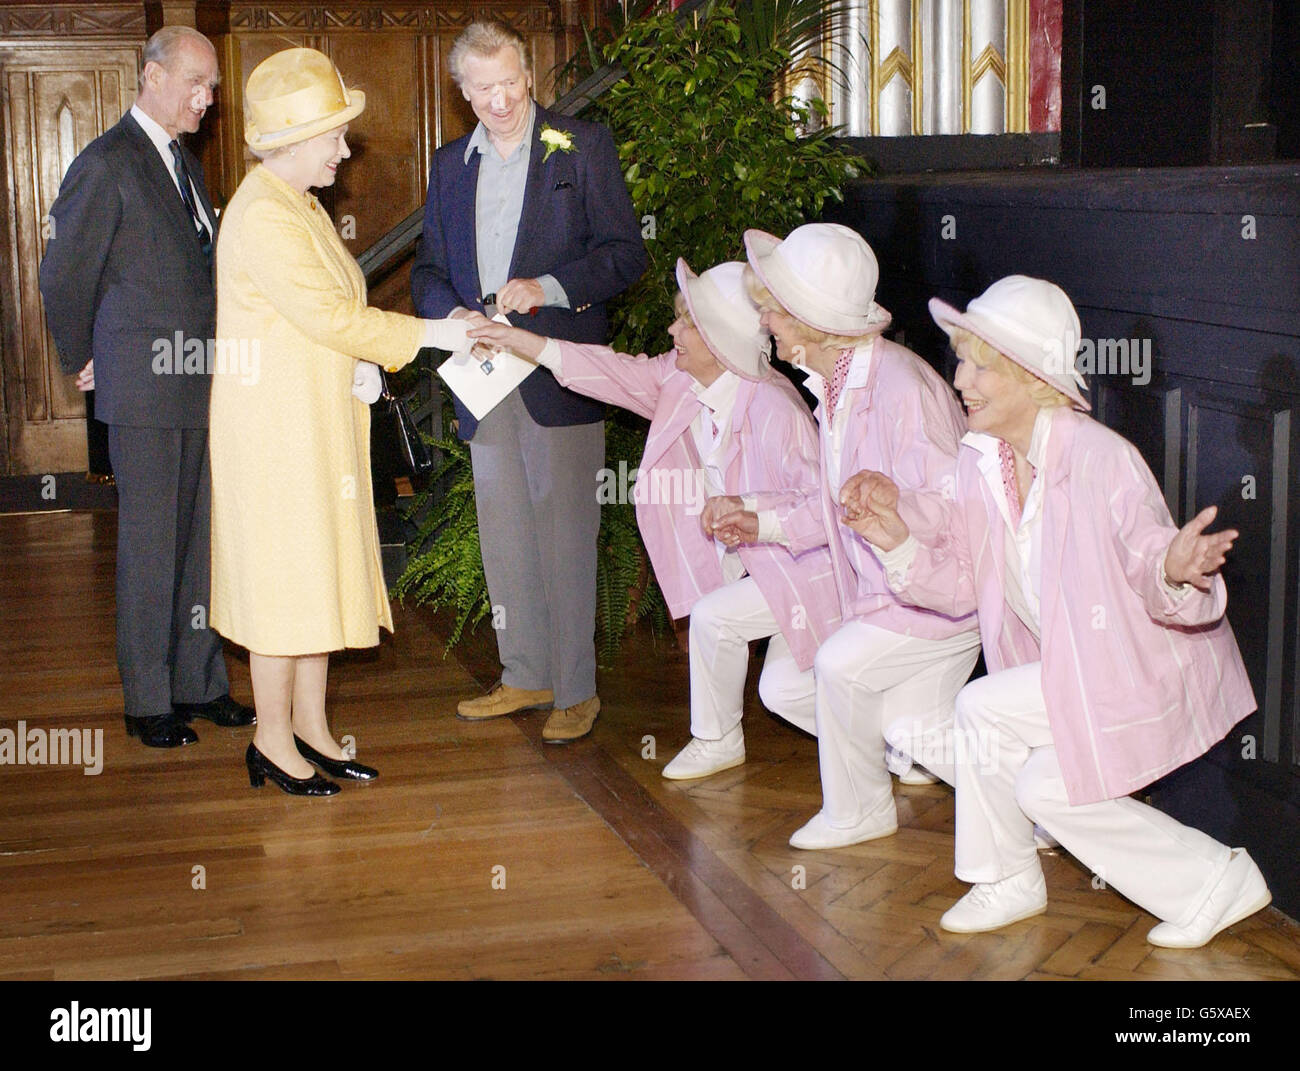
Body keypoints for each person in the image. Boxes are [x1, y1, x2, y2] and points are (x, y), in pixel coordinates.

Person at [842, 275, 1270, 946]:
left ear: (1033, 378)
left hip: (1130, 673)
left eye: (981, 365)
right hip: (1069, 677)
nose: (960, 378)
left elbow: (1147, 554)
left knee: (980, 707)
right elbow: (961, 586)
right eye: (961, 359)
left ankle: (1006, 878)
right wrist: (896, 539)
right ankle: (1215, 882)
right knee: (1041, 786)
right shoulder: (982, 462)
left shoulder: (1102, 459)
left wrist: (1175, 568)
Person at [209, 47, 470, 796]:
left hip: (314, 421)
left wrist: (361, 361)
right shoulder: (263, 212)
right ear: (293, 139)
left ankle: (314, 729)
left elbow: (329, 318)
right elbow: (326, 314)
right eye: (333, 135)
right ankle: (270, 739)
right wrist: (430, 336)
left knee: (314, 572)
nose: (343, 147)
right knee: (283, 583)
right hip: (276, 434)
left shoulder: (300, 203)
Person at [469, 259, 841, 768]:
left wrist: (754, 513)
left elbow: (824, 509)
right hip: (751, 568)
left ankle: (889, 740)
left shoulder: (775, 408)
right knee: (778, 684)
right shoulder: (681, 382)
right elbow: (610, 371)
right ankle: (887, 743)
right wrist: (518, 342)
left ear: (722, 338)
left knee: (774, 677)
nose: (672, 331)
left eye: (687, 323)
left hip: (802, 569)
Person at [410, 18, 646, 743]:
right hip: (481, 376)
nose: (500, 100)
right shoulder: (451, 166)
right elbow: (424, 269)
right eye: (482, 89)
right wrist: (448, 310)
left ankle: (576, 689)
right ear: (462, 91)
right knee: (504, 533)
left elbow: (624, 256)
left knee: (567, 535)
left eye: (510, 82)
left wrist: (544, 286)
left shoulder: (582, 147)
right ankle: (525, 673)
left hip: (557, 368)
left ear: (529, 77)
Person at [726, 223, 981, 850]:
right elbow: (836, 504)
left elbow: (954, 507)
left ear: (811, 320)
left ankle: (859, 812)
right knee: (913, 727)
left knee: (838, 667)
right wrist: (763, 523)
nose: (766, 326)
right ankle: (1034, 807)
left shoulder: (898, 387)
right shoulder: (842, 385)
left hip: (935, 589)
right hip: (900, 591)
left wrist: (895, 503)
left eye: (773, 313)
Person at [39, 26, 255, 749]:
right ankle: (148, 697)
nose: (208, 98)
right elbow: (65, 274)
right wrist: (83, 355)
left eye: (214, 87)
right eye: (197, 83)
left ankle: (200, 681)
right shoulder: (106, 164)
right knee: (151, 546)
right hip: (142, 383)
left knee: (199, 544)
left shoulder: (183, 163)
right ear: (153, 77)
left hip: (200, 383)